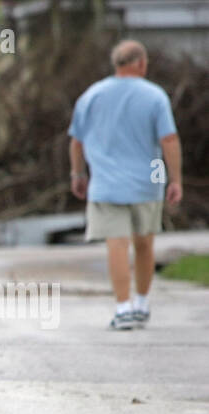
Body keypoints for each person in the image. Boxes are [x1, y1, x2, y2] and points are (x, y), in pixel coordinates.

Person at [68, 39, 182, 329]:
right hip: (149, 181)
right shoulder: (155, 96)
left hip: (105, 184)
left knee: (117, 245)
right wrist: (173, 180)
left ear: (116, 64)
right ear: (141, 63)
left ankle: (123, 308)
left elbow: (77, 141)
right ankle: (142, 304)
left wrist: (78, 175)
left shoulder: (91, 95)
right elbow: (168, 140)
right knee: (145, 244)